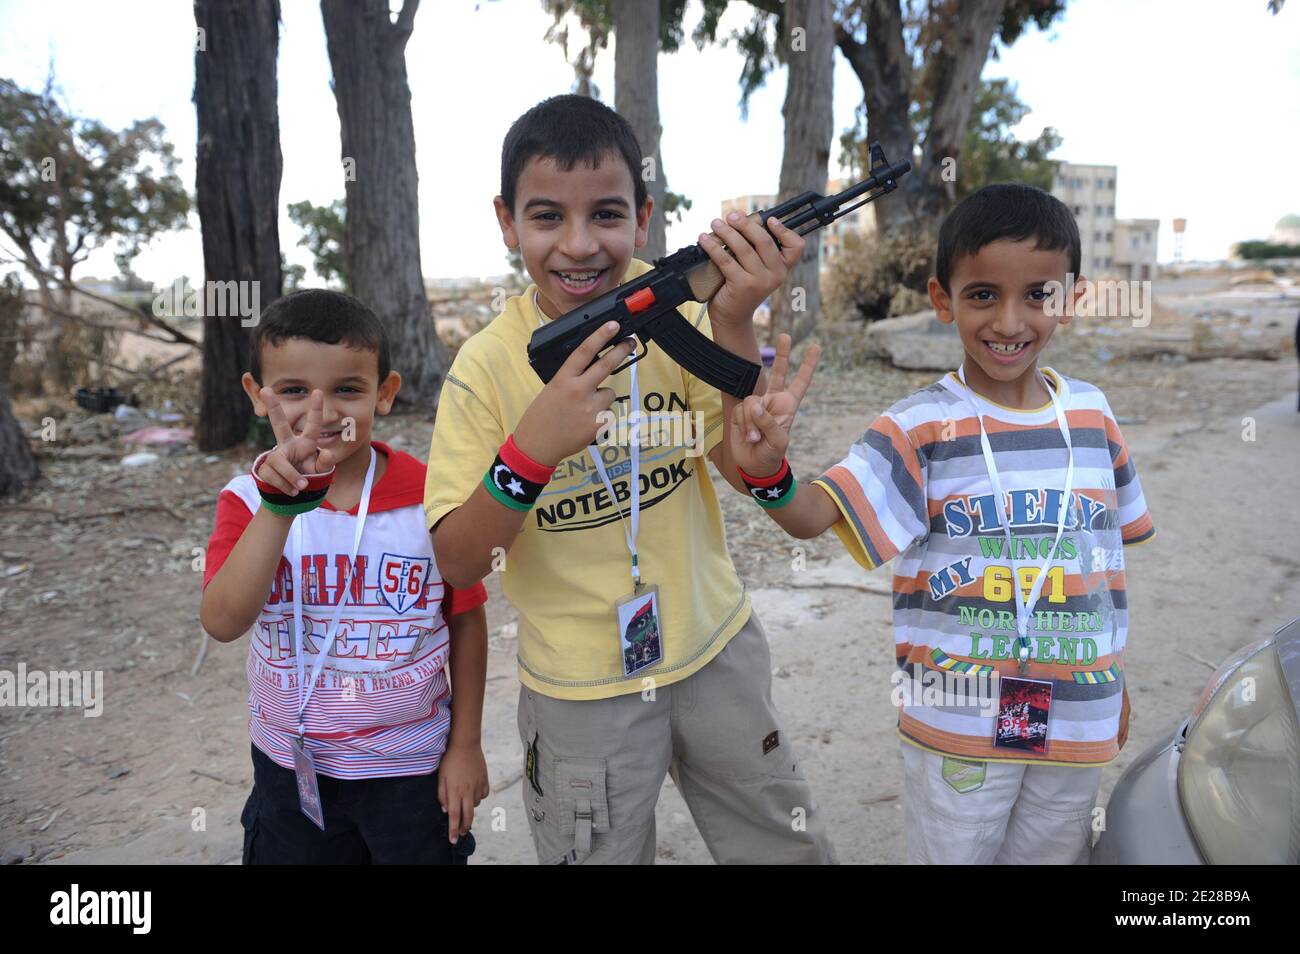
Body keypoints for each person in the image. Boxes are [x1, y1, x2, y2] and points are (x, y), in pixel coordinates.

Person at [424, 94, 836, 864]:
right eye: (547, 217)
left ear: (642, 218)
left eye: (606, 215)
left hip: (714, 650)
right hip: (581, 692)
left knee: (782, 843)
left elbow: (743, 471)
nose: (579, 245)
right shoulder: (484, 369)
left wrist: (739, 321)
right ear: (506, 222)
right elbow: (456, 563)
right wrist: (531, 452)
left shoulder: (667, 308)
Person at [723, 184, 1154, 864]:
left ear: (1070, 298)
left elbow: (1099, 574)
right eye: (983, 294)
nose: (1010, 321)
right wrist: (769, 472)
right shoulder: (919, 425)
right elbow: (812, 517)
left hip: (1075, 722)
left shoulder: (1094, 417)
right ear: (942, 299)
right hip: (959, 724)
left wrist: (1114, 682)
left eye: (1038, 294)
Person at [200, 289, 490, 864]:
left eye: (347, 389)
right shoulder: (244, 500)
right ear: (258, 397)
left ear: (385, 393)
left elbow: (467, 622)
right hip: (288, 767)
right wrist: (279, 507)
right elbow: (224, 621)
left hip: (410, 770)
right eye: (292, 391)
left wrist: (466, 745)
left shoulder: (432, 497)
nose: (321, 412)